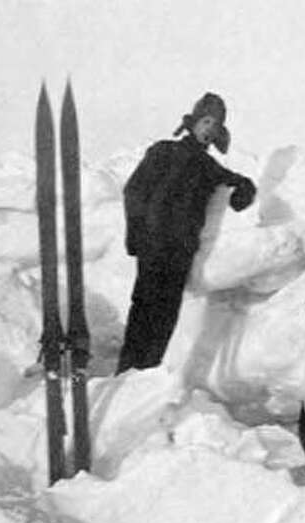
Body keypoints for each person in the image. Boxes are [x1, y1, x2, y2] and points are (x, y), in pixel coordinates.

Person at [117, 92, 257, 373]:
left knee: (167, 312)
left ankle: (147, 372)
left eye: (216, 126)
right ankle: (127, 369)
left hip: (181, 249)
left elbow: (239, 181)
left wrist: (245, 190)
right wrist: (136, 234)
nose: (209, 130)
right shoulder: (163, 151)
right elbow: (134, 191)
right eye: (206, 122)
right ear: (193, 122)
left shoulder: (208, 166)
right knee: (144, 307)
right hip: (153, 243)